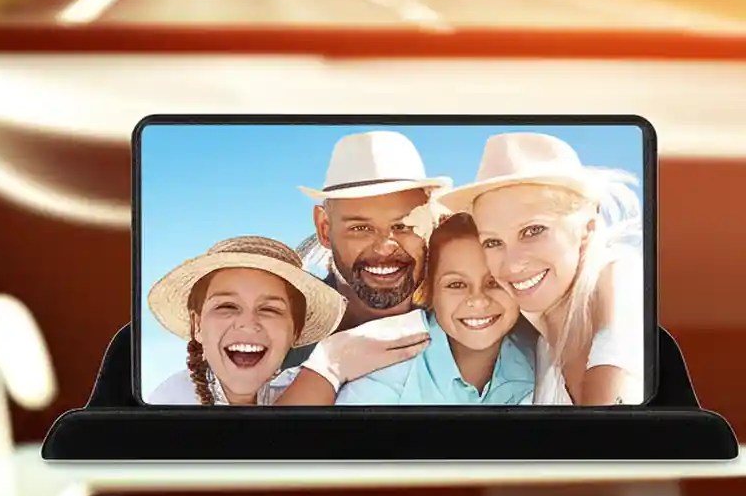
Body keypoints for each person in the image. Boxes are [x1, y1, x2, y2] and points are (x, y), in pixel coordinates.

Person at [435, 132, 644, 406]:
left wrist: (612, 326)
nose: (511, 264)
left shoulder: (629, 290)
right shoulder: (536, 351)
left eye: (533, 231)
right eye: (493, 242)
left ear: (587, 229)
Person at [275, 130, 449, 406]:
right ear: (324, 228)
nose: (384, 247)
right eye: (360, 228)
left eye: (403, 226)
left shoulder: (466, 319)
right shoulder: (279, 331)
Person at [335, 212, 536, 405]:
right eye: (456, 285)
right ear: (430, 292)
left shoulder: (539, 360)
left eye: (494, 282)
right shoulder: (383, 368)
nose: (478, 300)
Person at [145, 236, 346, 406]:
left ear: (296, 331)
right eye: (227, 307)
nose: (248, 324)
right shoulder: (171, 399)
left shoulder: (313, 387)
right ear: (197, 326)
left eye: (269, 309)